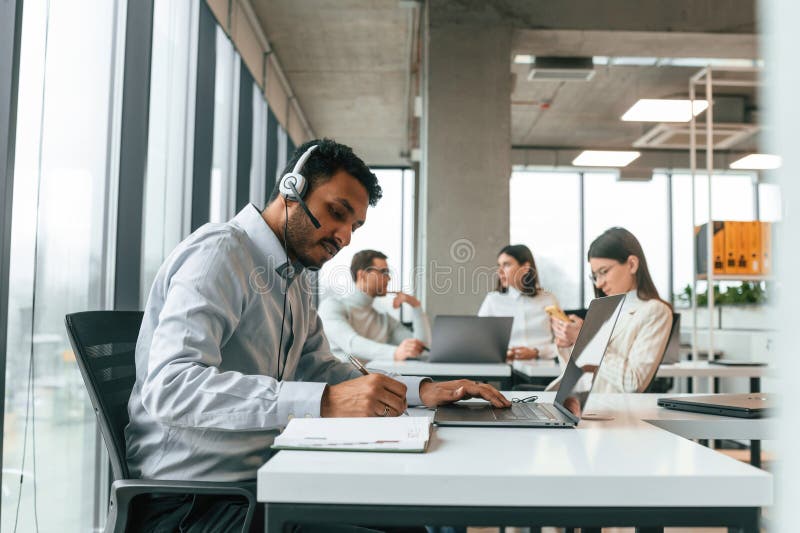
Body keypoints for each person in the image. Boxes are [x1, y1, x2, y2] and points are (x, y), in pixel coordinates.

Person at [125, 138, 510, 532]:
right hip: (194, 504)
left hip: (265, 481)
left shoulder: (293, 279)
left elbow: (319, 367)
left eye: (354, 227)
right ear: (292, 188)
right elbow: (171, 386)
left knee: (413, 519)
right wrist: (324, 400)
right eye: (336, 213)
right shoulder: (221, 253)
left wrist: (418, 391)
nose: (344, 238)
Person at [550, 227, 673, 393]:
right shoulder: (603, 310)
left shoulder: (655, 311)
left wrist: (584, 340)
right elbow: (581, 378)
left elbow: (633, 383)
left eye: (604, 272)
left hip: (612, 412)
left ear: (632, 264)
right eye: (595, 276)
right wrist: (569, 344)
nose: (599, 283)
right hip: (581, 405)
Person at [318, 250, 431, 361]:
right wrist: (395, 353)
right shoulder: (331, 306)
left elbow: (422, 349)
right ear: (362, 275)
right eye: (383, 272)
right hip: (342, 379)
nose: (389, 278)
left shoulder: (383, 319)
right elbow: (351, 344)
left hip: (375, 377)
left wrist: (416, 306)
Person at [478, 244, 560, 361]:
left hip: (543, 369)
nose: (499, 271)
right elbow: (479, 340)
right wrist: (502, 352)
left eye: (506, 265)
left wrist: (537, 352)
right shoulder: (493, 300)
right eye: (499, 265)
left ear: (525, 267)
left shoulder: (548, 299)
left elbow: (565, 343)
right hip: (507, 370)